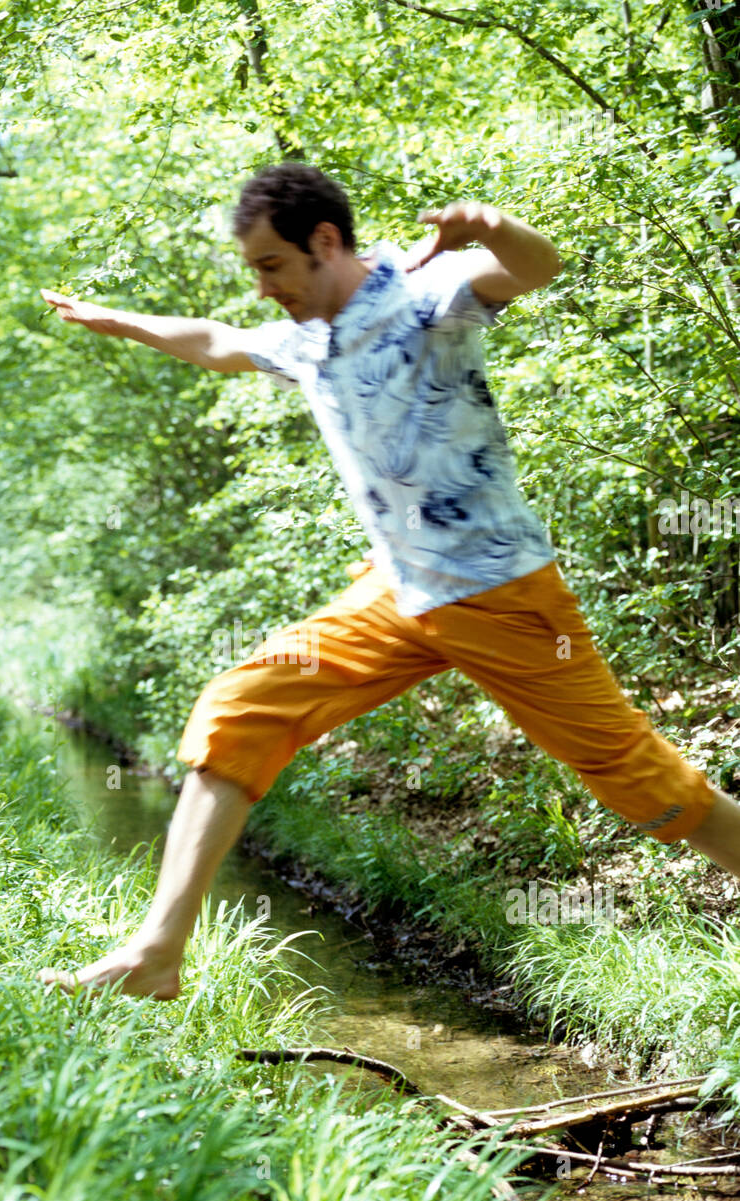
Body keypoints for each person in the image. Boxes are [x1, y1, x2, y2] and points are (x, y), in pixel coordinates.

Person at [36, 163, 740, 1000]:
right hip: (397, 593)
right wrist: (118, 321)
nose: (263, 288)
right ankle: (158, 952)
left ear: (324, 242)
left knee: (635, 780)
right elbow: (217, 343)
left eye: (270, 266)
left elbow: (536, 268)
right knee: (240, 705)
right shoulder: (307, 339)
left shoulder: (425, 293)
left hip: (499, 593)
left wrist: (489, 223)